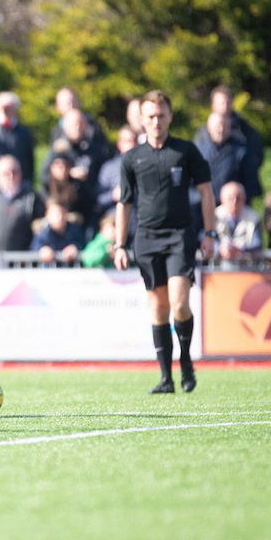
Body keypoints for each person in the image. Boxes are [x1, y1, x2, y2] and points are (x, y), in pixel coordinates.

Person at [113, 89, 216, 395]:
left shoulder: (186, 151)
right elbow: (124, 203)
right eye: (150, 116)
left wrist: (209, 233)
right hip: (147, 238)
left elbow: (207, 192)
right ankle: (165, 378)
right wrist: (120, 245)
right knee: (158, 308)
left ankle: (186, 361)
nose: (156, 121)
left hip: (180, 236)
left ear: (170, 116)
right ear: (142, 119)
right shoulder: (132, 158)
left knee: (180, 304)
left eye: (161, 115)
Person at [193, 112, 253, 241]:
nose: (220, 129)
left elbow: (248, 180)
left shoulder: (240, 149)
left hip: (230, 208)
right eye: (217, 126)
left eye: (224, 126)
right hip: (202, 207)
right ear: (208, 127)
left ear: (230, 128)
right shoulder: (197, 149)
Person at [201, 86, 263, 197]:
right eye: (221, 103)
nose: (225, 106)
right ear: (213, 105)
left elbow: (256, 157)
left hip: (237, 196)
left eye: (227, 102)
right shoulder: (202, 133)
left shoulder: (245, 131)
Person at [213, 181, 262, 266]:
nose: (234, 202)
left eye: (238, 198)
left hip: (246, 267)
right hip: (218, 267)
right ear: (222, 199)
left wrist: (239, 249)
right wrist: (220, 248)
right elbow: (205, 239)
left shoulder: (253, 217)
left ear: (244, 199)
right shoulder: (213, 216)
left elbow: (257, 243)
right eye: (230, 198)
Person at [32, 199, 85, 265]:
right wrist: (42, 250)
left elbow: (84, 244)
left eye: (63, 213)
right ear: (47, 215)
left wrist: (76, 247)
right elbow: (34, 247)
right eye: (56, 214)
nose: (60, 217)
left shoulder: (75, 231)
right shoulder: (42, 234)